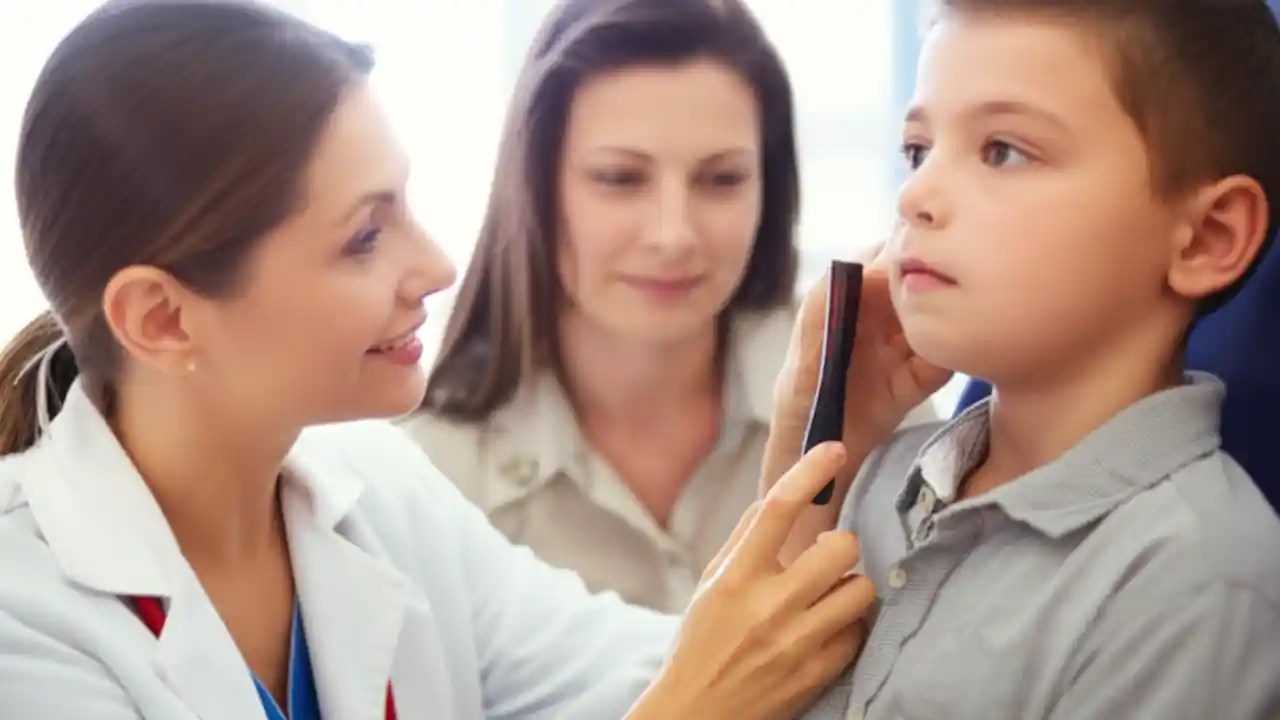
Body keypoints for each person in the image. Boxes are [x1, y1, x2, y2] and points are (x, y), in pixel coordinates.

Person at [0, 2, 884, 718]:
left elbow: (698, 664)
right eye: (364, 236)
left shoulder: (384, 495)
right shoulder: (22, 618)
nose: (436, 265)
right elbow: (699, 693)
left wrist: (815, 435)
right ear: (162, 318)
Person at [761, 1, 1280, 718]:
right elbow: (743, 680)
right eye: (918, 150)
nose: (915, 195)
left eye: (1003, 150)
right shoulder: (877, 479)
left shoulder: (1198, 577)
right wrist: (812, 439)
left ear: (1205, 239)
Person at [398, 0, 935, 613]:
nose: (673, 235)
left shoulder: (868, 391)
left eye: (721, 180)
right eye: (621, 178)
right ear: (535, 187)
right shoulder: (428, 475)